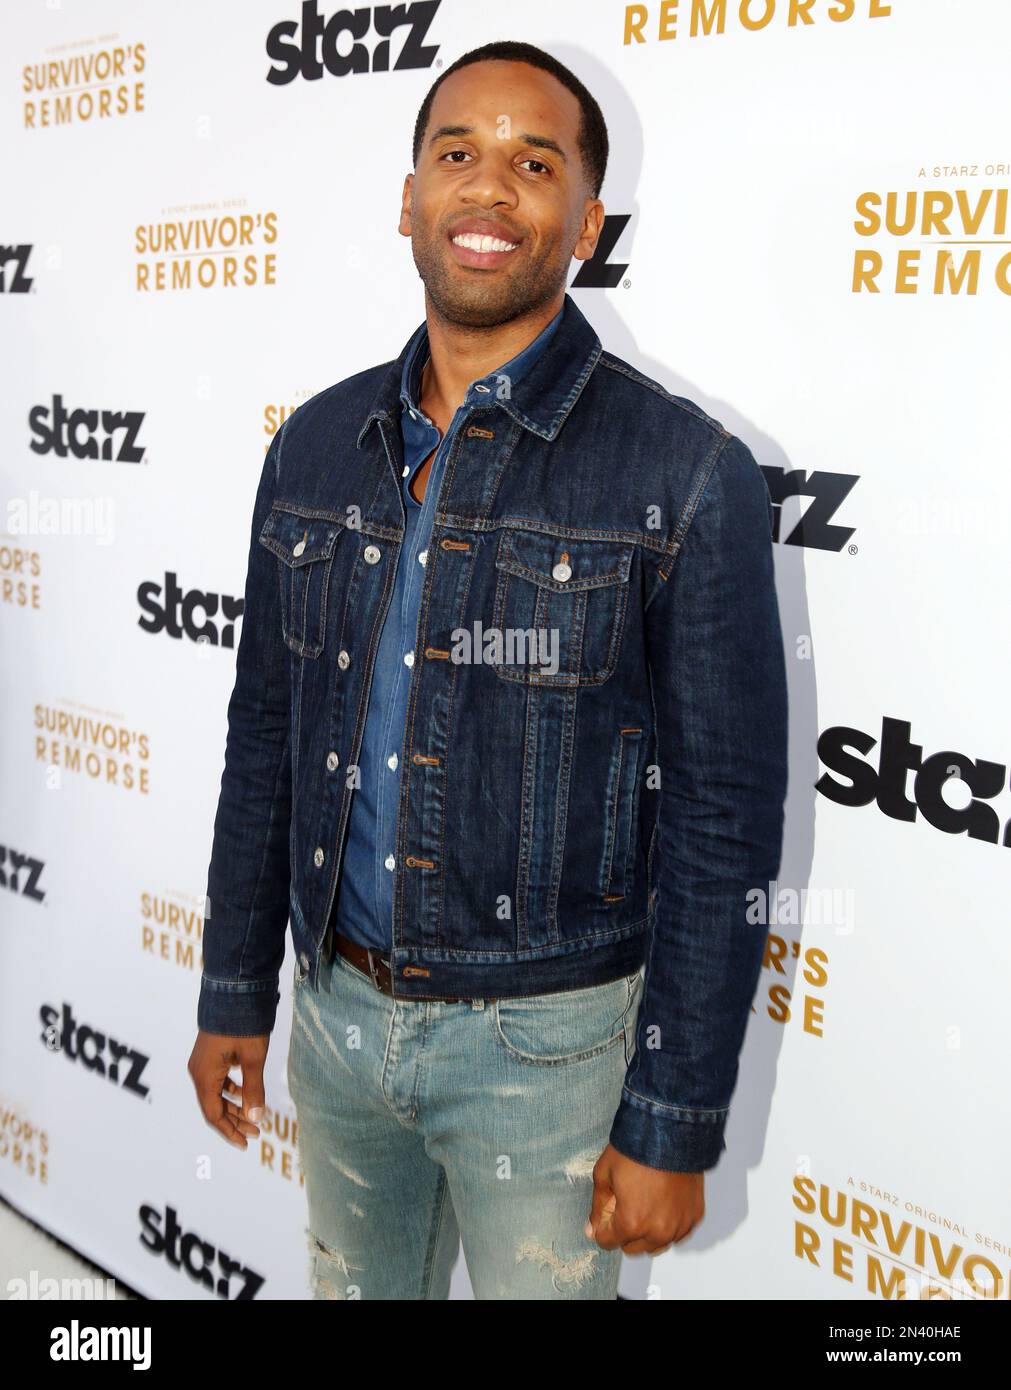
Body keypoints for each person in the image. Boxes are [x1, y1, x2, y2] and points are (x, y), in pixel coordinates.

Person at [188, 38, 789, 1300]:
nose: (488, 189)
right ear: (408, 197)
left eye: (534, 162)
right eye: (457, 153)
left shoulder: (683, 473)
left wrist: (672, 1112)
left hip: (551, 1051)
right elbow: (265, 737)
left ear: (586, 221)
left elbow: (725, 825)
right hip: (337, 1017)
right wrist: (236, 984)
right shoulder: (314, 443)